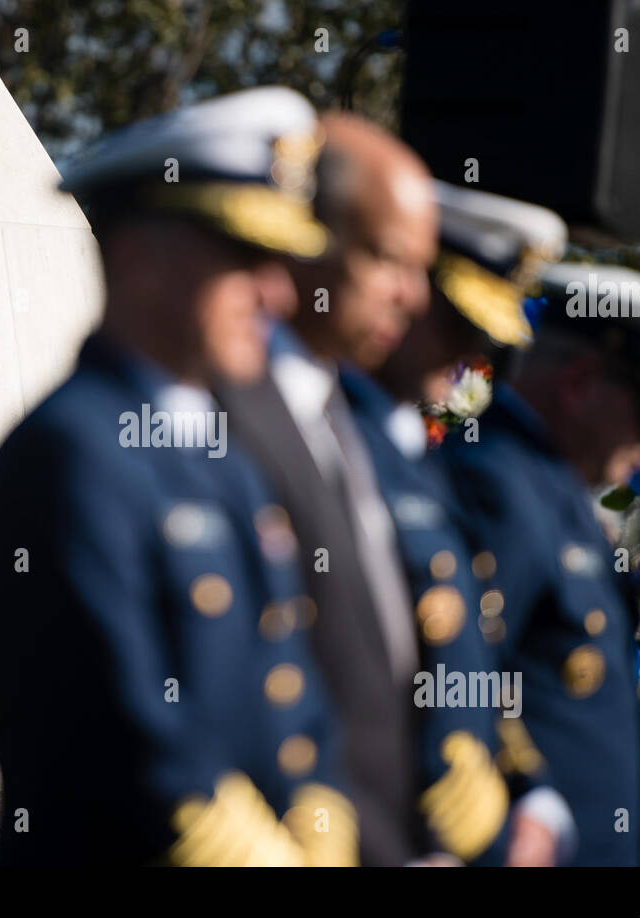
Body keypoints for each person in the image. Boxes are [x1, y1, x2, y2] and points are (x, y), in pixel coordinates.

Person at [0, 87, 357, 866]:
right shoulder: (67, 457)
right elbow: (118, 731)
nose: (277, 291)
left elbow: (290, 694)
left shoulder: (221, 458)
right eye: (246, 257)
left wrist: (319, 820)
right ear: (141, 259)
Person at [441, 261, 640, 865]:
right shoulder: (499, 489)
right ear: (579, 383)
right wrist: (520, 810)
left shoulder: (551, 492)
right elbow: (455, 678)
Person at [213, 113, 438, 865]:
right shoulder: (226, 417)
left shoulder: (351, 416)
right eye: (388, 259)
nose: (413, 297)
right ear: (309, 237)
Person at [343, 184, 576, 865]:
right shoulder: (341, 441)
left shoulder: (412, 456)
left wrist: (525, 789)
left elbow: (472, 656)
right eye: (457, 322)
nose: (470, 349)